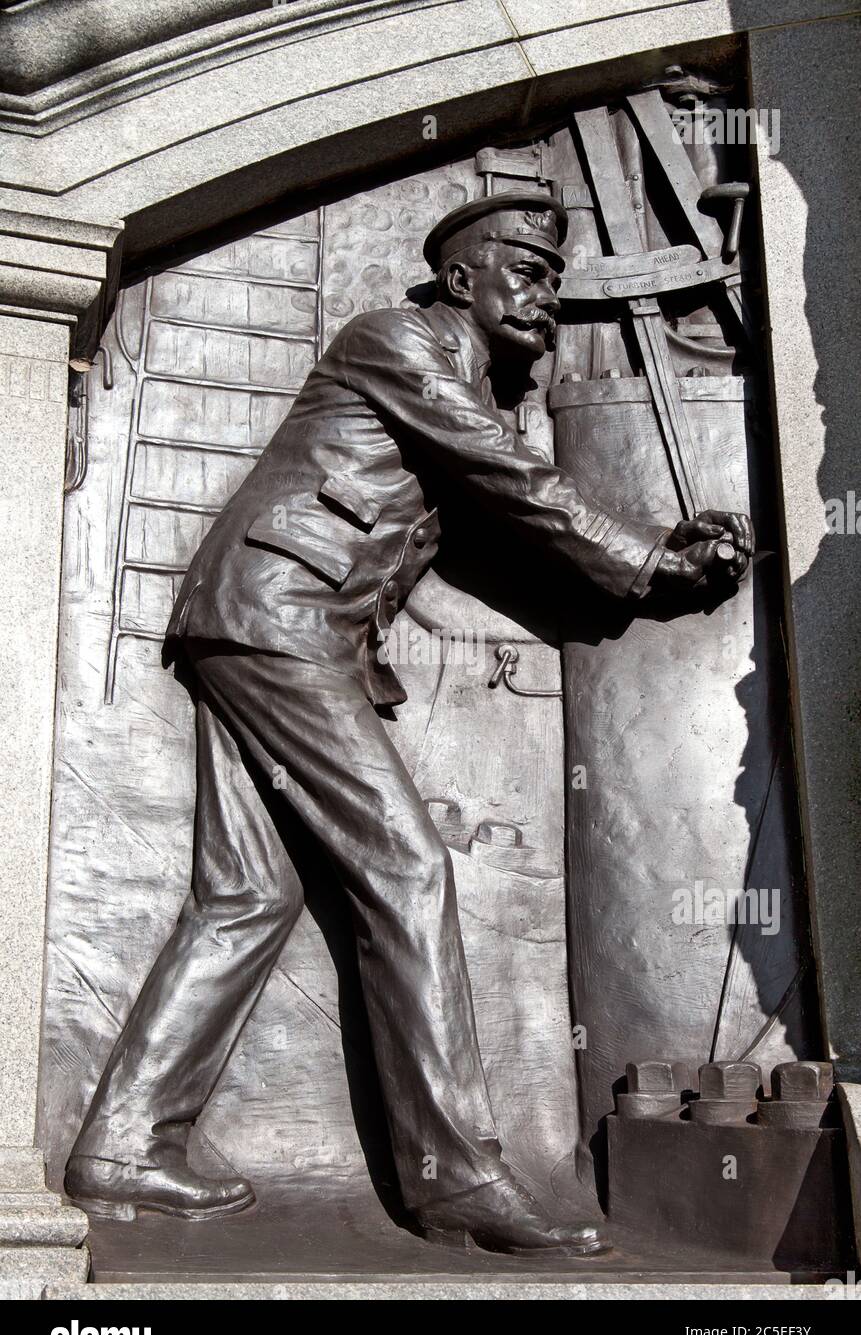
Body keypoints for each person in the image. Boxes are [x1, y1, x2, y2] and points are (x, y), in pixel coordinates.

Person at [65, 193, 752, 1255]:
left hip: (264, 622)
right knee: (407, 868)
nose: (544, 294)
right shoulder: (399, 341)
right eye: (523, 269)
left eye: (552, 277)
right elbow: (514, 479)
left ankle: (122, 1141)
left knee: (248, 893)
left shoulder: (463, 383)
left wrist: (643, 551)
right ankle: (457, 1177)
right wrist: (651, 561)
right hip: (280, 616)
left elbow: (510, 500)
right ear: (459, 277)